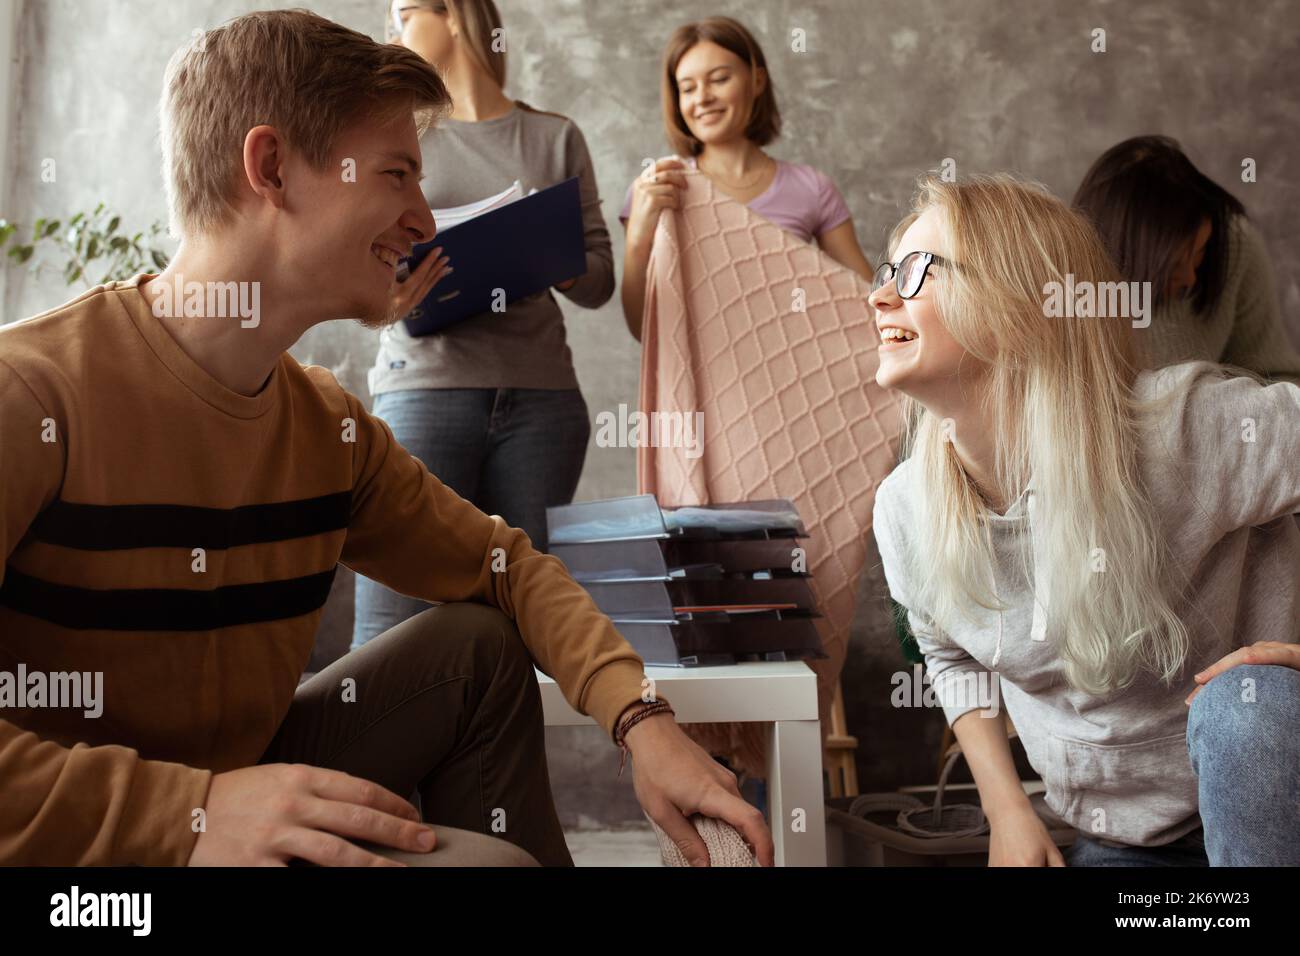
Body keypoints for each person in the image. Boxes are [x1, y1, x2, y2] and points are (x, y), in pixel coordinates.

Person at [0, 9, 772, 868]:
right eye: (398, 174)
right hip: (86, 864)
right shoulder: (30, 394)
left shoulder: (325, 425)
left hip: (243, 789)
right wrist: (188, 812)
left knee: (474, 650)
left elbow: (504, 565)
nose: (424, 219)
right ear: (271, 168)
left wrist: (643, 719)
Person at [869, 173, 1299, 866]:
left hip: (1274, 815)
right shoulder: (904, 512)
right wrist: (1006, 809)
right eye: (889, 271)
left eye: (920, 270)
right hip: (1116, 836)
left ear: (1019, 306)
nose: (880, 294)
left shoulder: (1189, 432)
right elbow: (946, 652)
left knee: (1250, 709)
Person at [352, 0, 616, 648]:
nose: (392, 32)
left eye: (404, 13)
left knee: (523, 622)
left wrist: (553, 261)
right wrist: (386, 297)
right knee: (393, 623)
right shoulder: (394, 136)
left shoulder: (554, 136)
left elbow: (601, 279)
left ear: (455, 14)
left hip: (542, 405)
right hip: (423, 391)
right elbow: (354, 258)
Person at [620, 15, 873, 340]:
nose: (702, 98)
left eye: (720, 79)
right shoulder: (660, 188)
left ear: (757, 81)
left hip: (794, 378)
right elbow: (644, 329)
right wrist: (638, 238)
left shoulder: (812, 188)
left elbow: (869, 304)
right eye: (687, 88)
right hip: (700, 386)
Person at [1073, 134, 1300, 384]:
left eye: (1199, 252)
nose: (1191, 278)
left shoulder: (1234, 246)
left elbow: (1277, 380)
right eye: (1173, 266)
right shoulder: (1069, 281)